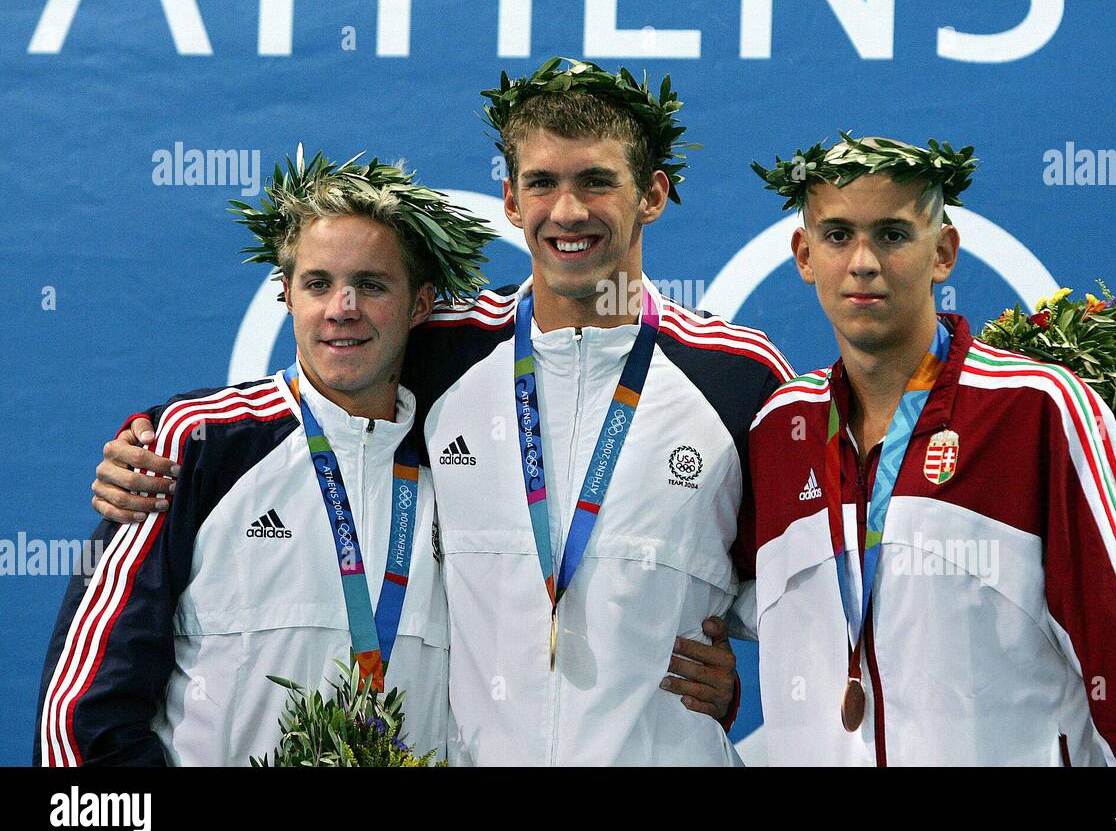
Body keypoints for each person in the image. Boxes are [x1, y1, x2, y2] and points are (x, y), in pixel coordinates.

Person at [90, 60, 790, 765]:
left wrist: (720, 684)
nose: (568, 211)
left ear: (653, 195)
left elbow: (800, 579)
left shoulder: (737, 377)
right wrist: (150, 442)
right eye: (543, 182)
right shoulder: (445, 349)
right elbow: (319, 395)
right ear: (511, 200)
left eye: (597, 181)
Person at [741, 133, 1116, 766]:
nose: (862, 261)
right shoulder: (780, 431)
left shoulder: (1036, 411)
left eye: (892, 234)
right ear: (804, 255)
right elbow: (722, 600)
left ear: (942, 252)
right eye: (837, 236)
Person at [37, 149, 496, 765]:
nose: (343, 308)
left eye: (372, 284)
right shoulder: (195, 445)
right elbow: (82, 707)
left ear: (419, 305)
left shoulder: (469, 465)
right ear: (286, 295)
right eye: (318, 283)